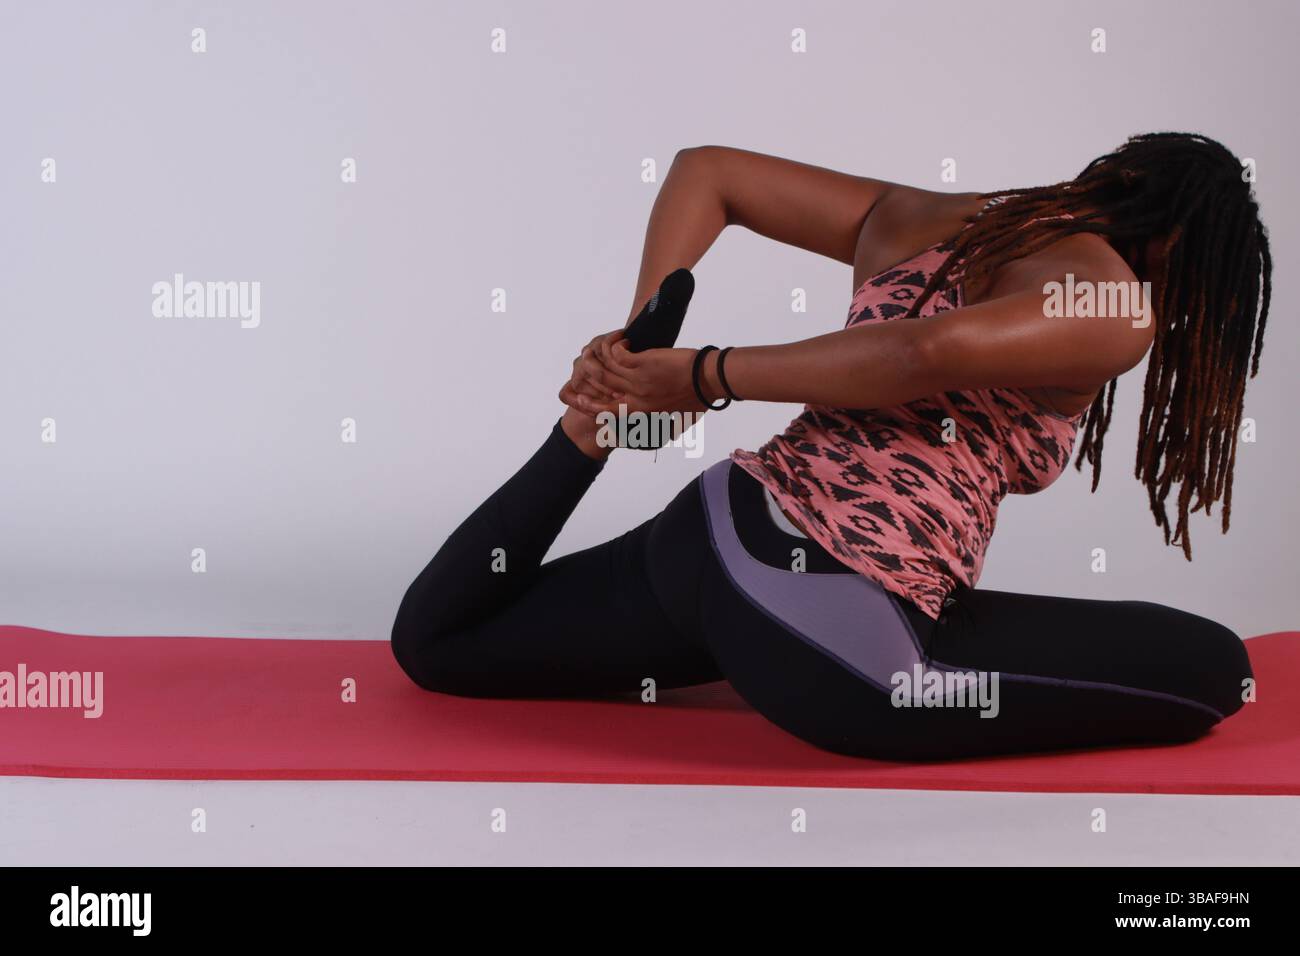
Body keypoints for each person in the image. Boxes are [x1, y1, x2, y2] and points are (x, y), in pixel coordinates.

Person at [390, 133, 1268, 760]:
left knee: (442, 645)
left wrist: (637, 354)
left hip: (716, 535)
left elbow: (711, 173)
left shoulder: (936, 215)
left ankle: (585, 437)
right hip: (831, 615)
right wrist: (697, 375)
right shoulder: (1114, 302)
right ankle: (824, 622)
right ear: (1179, 245)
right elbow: (921, 354)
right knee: (1217, 669)